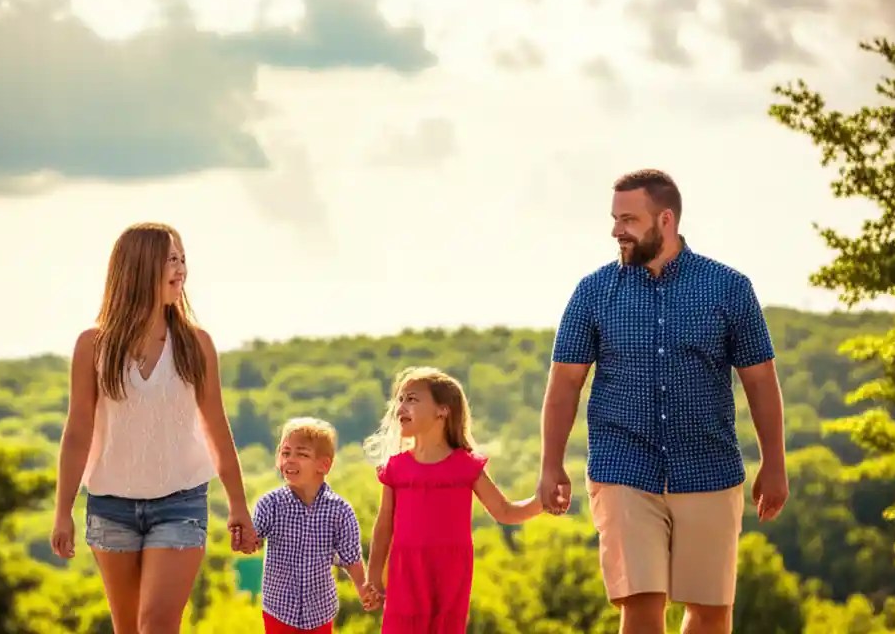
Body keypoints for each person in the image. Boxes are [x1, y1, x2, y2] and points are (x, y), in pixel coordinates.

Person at [537, 169, 789, 634]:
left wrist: (774, 462)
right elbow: (564, 385)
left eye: (628, 219)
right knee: (641, 602)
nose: (616, 231)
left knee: (711, 611)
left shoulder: (729, 288)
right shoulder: (592, 293)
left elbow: (760, 381)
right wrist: (551, 463)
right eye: (614, 219)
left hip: (709, 467)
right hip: (623, 469)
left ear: (666, 220)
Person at [49, 222, 258, 634]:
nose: (180, 269)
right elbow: (77, 433)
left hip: (180, 503)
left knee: (157, 624)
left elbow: (216, 426)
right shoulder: (92, 346)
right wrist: (63, 511)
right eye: (170, 259)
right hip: (111, 506)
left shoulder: (196, 344)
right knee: (129, 629)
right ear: (139, 266)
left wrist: (237, 504)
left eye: (182, 258)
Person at [364, 366, 542, 634]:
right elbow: (383, 526)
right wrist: (374, 577)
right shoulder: (396, 468)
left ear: (442, 410)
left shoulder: (465, 466)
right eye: (399, 399)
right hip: (406, 572)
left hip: (449, 573)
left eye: (412, 399)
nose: (401, 406)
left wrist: (543, 500)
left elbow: (504, 512)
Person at [252, 417, 378, 634]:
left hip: (319, 610)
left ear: (324, 464)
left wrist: (362, 588)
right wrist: (243, 538)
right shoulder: (270, 504)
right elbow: (253, 538)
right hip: (279, 607)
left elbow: (351, 558)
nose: (290, 460)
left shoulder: (340, 511)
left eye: (301, 454)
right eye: (285, 453)